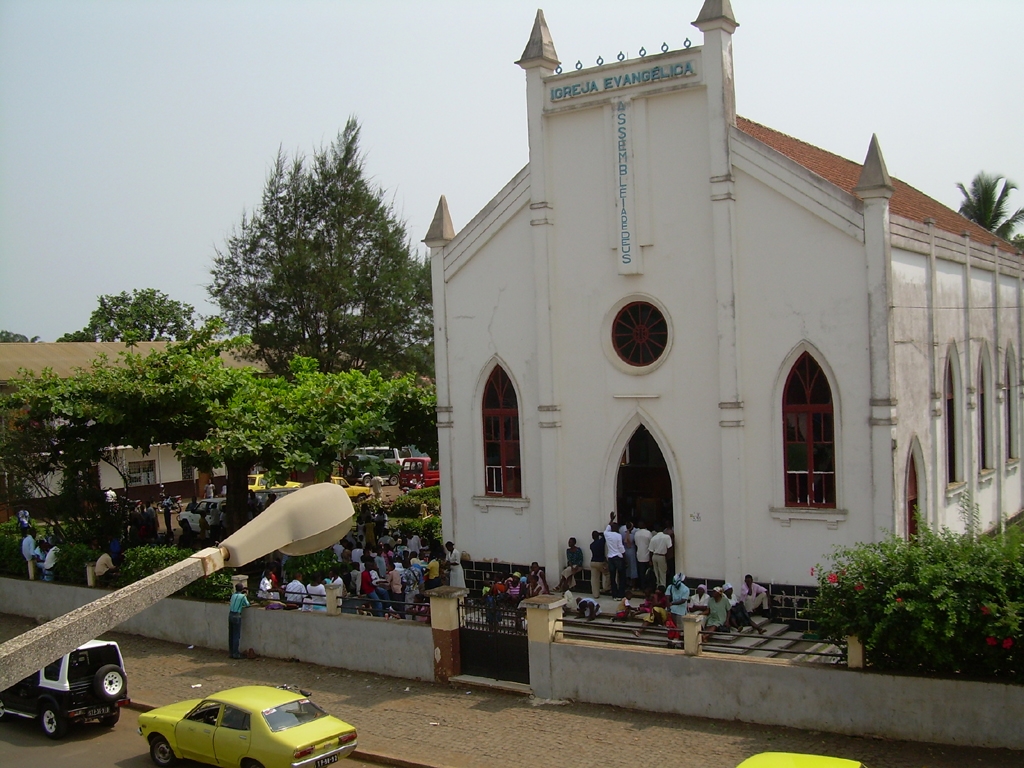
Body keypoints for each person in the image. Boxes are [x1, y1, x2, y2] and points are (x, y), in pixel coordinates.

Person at [604, 521, 626, 599]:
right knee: (622, 576)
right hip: (618, 557)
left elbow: (607, 527)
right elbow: (620, 547)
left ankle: (614, 595)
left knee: (612, 578)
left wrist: (611, 519)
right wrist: (624, 556)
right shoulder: (618, 536)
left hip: (610, 558)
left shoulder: (607, 534)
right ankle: (621, 594)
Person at [228, 582, 250, 659]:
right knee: (236, 635)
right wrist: (245, 595)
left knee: (231, 634)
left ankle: (231, 652)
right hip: (237, 615)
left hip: (230, 614)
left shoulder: (233, 595)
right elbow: (247, 604)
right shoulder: (242, 596)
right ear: (242, 589)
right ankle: (235, 653)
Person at [633, 521, 653, 589]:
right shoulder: (648, 533)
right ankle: (649, 586)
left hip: (639, 556)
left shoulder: (636, 534)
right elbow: (651, 545)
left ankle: (642, 587)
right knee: (649, 573)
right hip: (647, 556)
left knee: (641, 573)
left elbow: (636, 544)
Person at [589, 531, 609, 598]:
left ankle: (595, 594)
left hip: (593, 562)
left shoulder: (591, 545)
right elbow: (605, 535)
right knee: (607, 574)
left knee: (594, 579)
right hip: (600, 562)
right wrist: (601, 533)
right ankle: (606, 588)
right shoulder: (601, 542)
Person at [620, 520, 638, 588]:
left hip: (624, 551)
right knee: (633, 568)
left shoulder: (622, 530)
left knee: (627, 568)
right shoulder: (634, 533)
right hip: (632, 552)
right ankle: (633, 585)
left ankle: (627, 584)